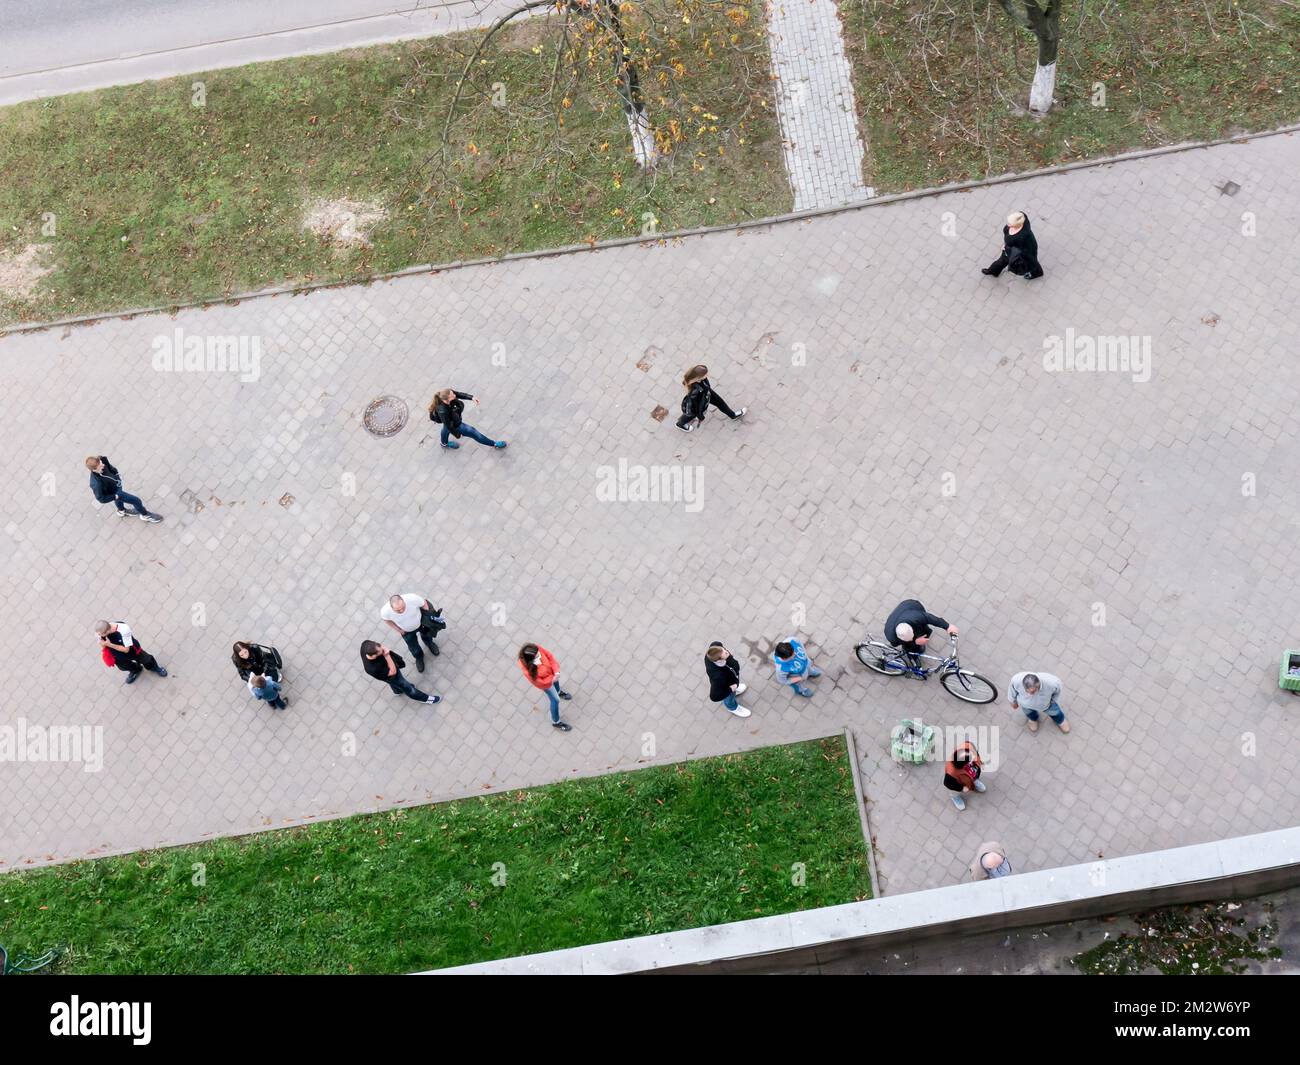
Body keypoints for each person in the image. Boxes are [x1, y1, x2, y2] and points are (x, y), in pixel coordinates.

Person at [379, 593, 444, 673]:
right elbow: (386, 620)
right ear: (391, 607)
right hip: (406, 631)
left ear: (403, 600)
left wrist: (427, 617)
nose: (401, 611)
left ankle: (430, 644)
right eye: (398, 610)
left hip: (421, 624)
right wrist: (398, 630)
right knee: (413, 646)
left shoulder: (412, 598)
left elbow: (424, 603)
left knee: (427, 635)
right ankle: (419, 657)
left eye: (403, 607)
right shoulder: (385, 611)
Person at [85, 456, 162, 522]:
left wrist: (116, 474)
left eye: (101, 462)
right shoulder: (96, 484)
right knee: (136, 500)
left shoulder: (101, 460)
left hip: (116, 485)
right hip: (114, 492)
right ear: (94, 470)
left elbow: (110, 467)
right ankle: (145, 515)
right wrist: (115, 496)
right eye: (100, 466)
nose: (103, 465)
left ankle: (122, 511)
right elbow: (101, 498)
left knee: (119, 499)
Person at [360, 641, 441, 704]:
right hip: (391, 675)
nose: (383, 649)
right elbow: (393, 672)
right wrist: (387, 655)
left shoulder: (366, 645)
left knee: (394, 684)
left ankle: (397, 691)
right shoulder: (373, 668)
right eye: (381, 651)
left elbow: (379, 646)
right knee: (408, 688)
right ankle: (425, 699)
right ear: (373, 656)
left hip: (385, 673)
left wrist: (381, 649)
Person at [517, 643, 573, 732]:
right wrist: (552, 679)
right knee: (555, 700)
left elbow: (549, 656)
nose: (540, 655)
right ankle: (556, 722)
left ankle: (558, 692)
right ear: (531, 660)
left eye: (539, 653)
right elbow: (540, 683)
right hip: (547, 684)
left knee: (556, 684)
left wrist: (556, 672)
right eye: (537, 656)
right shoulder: (529, 670)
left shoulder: (535, 649)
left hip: (552, 674)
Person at [675, 364, 746, 433]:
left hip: (707, 394)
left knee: (720, 403)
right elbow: (694, 406)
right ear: (698, 378)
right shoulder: (695, 392)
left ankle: (733, 415)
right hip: (698, 404)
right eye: (706, 374)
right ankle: (680, 424)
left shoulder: (701, 379)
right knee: (690, 415)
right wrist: (700, 416)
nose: (707, 375)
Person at [428, 389, 507, 450]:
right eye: (452, 396)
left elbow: (458, 394)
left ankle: (443, 443)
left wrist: (471, 397)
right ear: (447, 400)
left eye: (453, 393)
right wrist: (458, 435)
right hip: (455, 423)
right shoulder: (443, 411)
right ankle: (494, 444)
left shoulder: (448, 392)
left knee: (446, 428)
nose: (455, 395)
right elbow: (449, 425)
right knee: (473, 432)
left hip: (451, 419)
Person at [885, 599, 958, 665]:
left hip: (911, 606)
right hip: (901, 614)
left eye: (912, 636)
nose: (911, 639)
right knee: (909, 646)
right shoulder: (891, 636)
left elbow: (930, 618)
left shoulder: (916, 617)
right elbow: (895, 644)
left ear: (911, 629)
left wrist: (947, 626)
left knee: (922, 629)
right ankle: (912, 656)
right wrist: (915, 642)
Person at [95, 620, 168, 685]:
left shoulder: (123, 629)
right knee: (124, 666)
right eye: (98, 634)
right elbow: (102, 644)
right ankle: (136, 670)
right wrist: (104, 645)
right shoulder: (99, 632)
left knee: (146, 659)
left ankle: (154, 667)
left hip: (131, 650)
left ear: (106, 631)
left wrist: (109, 644)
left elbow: (126, 649)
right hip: (117, 654)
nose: (98, 635)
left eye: (100, 634)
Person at [982, 211, 1044, 280]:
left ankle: (1037, 272)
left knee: (1032, 261)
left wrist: (1007, 247)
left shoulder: (1020, 237)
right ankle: (993, 271)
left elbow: (1020, 247)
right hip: (1011, 249)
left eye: (1010, 223)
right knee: (1001, 261)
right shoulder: (1021, 217)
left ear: (1016, 226)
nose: (1008, 224)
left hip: (1023, 250)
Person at [705, 642, 751, 718]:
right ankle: (732, 707)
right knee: (729, 697)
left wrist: (727, 657)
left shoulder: (715, 645)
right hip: (726, 686)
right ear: (718, 661)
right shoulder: (718, 677)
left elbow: (735, 667)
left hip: (731, 679)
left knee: (734, 687)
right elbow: (714, 697)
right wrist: (730, 689)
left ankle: (736, 689)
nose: (727, 652)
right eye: (726, 653)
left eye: (725, 649)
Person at [942, 740, 985, 811]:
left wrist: (980, 761)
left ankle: (974, 781)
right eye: (969, 761)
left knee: (973, 774)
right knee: (954, 792)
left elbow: (974, 750)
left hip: (970, 774)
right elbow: (947, 783)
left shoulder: (967, 746)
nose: (972, 759)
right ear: (963, 765)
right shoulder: (951, 772)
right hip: (959, 781)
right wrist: (961, 788)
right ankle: (955, 797)